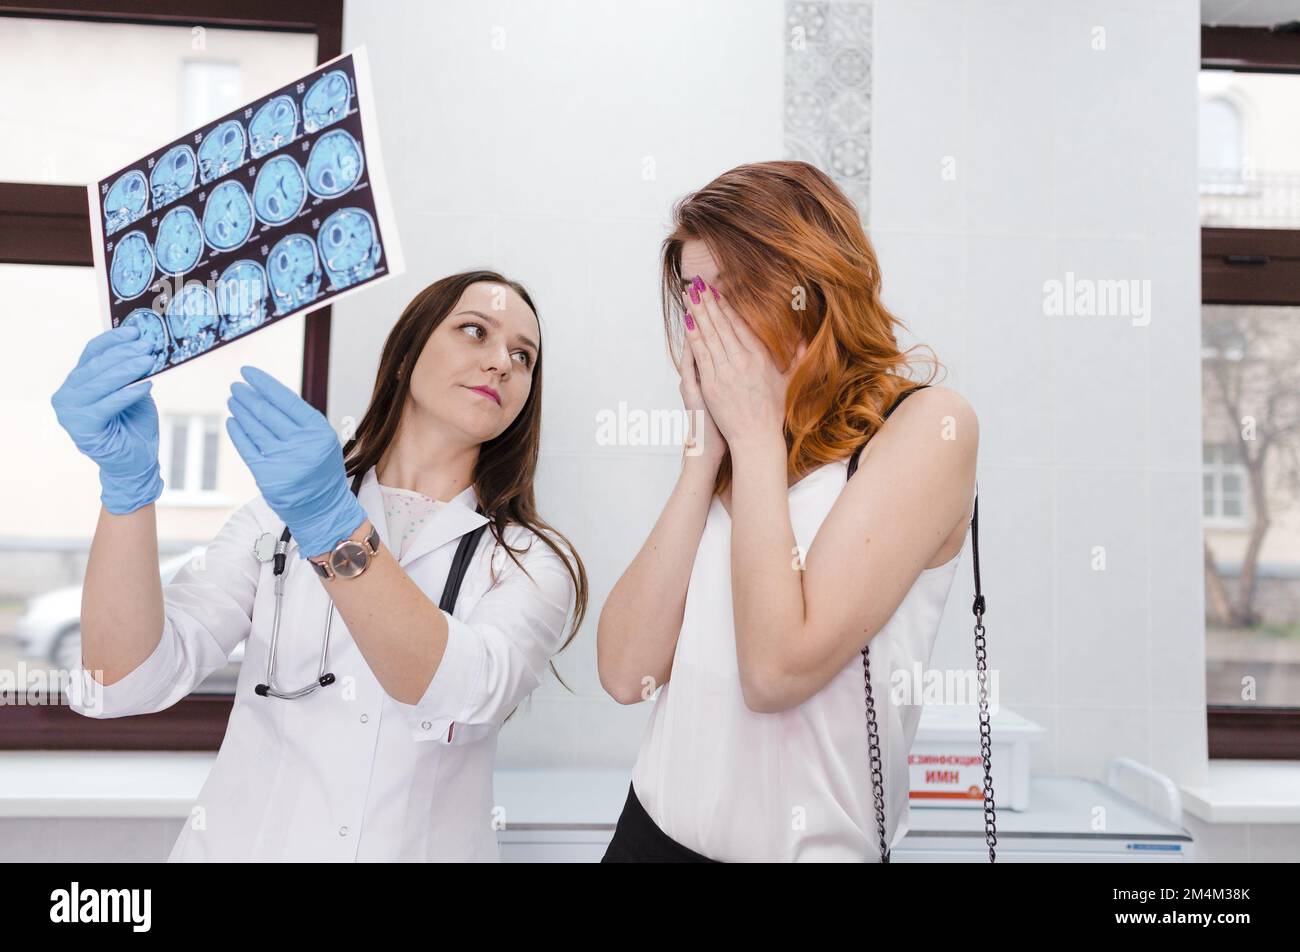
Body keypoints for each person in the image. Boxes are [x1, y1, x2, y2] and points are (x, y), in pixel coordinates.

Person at [52, 269, 587, 862]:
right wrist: (128, 492)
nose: (501, 364)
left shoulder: (529, 562)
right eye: (474, 331)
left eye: (523, 356)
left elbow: (461, 692)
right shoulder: (274, 520)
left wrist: (330, 523)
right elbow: (124, 682)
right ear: (406, 355)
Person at [597, 161, 978, 862]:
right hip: (646, 836)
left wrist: (751, 438)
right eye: (695, 295)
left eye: (733, 291)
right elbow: (626, 673)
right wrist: (703, 457)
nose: (707, 321)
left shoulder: (924, 426)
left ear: (814, 280)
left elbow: (774, 673)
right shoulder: (736, 446)